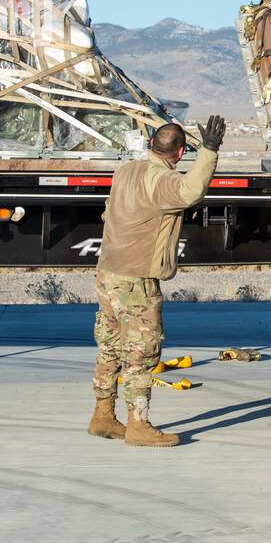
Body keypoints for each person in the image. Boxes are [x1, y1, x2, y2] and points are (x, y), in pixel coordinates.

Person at [87, 115, 226, 447]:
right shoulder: (161, 180)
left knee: (109, 346)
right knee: (141, 353)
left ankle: (103, 416)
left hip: (108, 273)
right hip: (136, 280)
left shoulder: (124, 172)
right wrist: (209, 150)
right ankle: (138, 425)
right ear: (179, 153)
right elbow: (191, 191)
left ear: (150, 145)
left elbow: (108, 213)